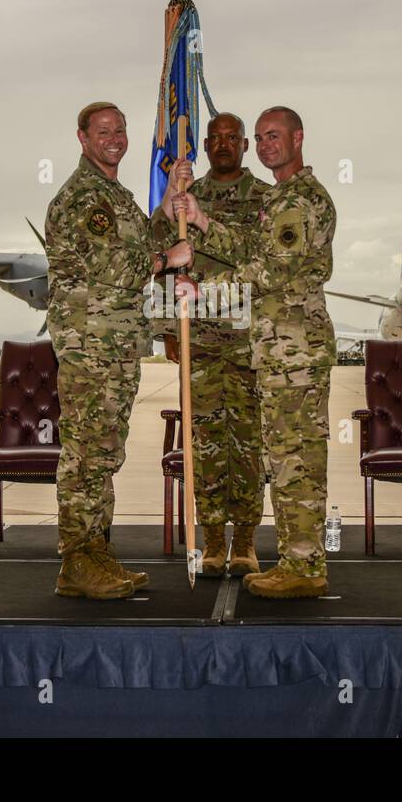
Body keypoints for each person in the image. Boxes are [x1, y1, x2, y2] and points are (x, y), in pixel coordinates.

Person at [176, 106, 335, 599]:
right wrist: (201, 219)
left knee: (296, 462)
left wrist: (204, 293)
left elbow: (271, 270)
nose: (267, 145)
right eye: (262, 138)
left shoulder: (302, 199)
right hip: (277, 354)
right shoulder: (284, 196)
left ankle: (304, 567)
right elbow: (251, 247)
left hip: (295, 355)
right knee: (285, 461)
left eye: (273, 136)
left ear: (298, 138)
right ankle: (296, 561)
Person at [44, 101, 193, 599]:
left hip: (115, 347)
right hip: (91, 348)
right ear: (82, 138)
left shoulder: (112, 195)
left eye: (121, 130)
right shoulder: (83, 197)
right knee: (85, 455)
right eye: (104, 131)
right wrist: (170, 258)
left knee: (104, 454)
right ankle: (77, 558)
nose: (115, 138)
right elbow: (119, 268)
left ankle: (94, 553)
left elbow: (136, 245)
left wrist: (169, 202)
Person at [152, 113, 270, 577]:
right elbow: (163, 254)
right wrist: (166, 330)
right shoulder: (188, 198)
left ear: (244, 145)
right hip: (197, 338)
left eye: (231, 139)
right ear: (204, 144)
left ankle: (245, 541)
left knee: (247, 443)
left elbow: (266, 263)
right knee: (205, 444)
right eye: (214, 139)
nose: (223, 145)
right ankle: (214, 541)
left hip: (246, 341)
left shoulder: (264, 198)